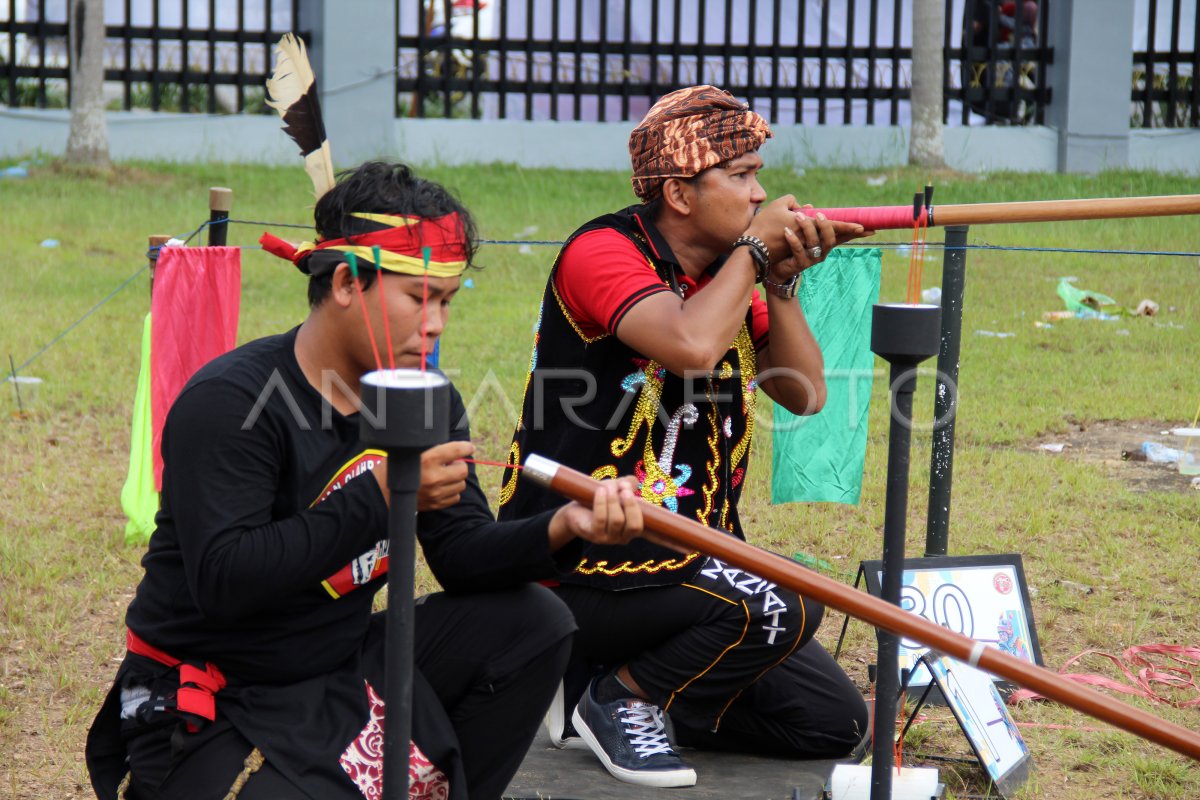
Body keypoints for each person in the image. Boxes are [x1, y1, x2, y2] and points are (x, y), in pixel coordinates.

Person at [85, 161, 644, 800]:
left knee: (535, 622)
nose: (435, 324)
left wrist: (562, 525)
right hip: (214, 681)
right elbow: (225, 580)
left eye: (447, 301)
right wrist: (381, 496)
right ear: (348, 282)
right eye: (418, 298)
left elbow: (460, 554)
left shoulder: (423, 399)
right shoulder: (232, 401)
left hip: (337, 666)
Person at [497, 86, 871, 788]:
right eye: (741, 176)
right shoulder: (600, 251)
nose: (760, 194)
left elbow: (805, 392)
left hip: (689, 560)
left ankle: (651, 690)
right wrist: (754, 258)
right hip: (581, 559)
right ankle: (614, 699)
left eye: (759, 175)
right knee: (786, 599)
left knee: (833, 723)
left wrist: (781, 285)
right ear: (678, 192)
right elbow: (690, 346)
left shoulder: (729, 274)